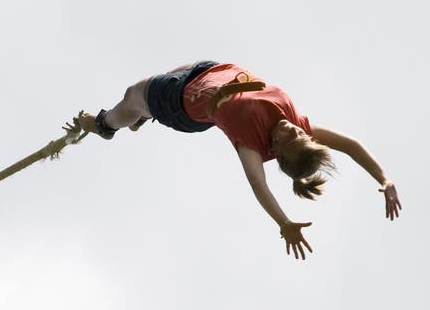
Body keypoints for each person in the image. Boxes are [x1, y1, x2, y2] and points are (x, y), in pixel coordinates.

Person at [71, 61, 401, 260]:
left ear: (278, 153)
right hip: (207, 72)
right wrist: (384, 180)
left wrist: (283, 222)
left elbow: (258, 184)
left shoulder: (252, 145)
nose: (291, 129)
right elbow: (352, 146)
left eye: (288, 139)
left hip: (178, 102)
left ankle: (103, 125)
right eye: (300, 134)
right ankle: (140, 116)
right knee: (157, 86)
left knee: (132, 95)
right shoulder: (300, 128)